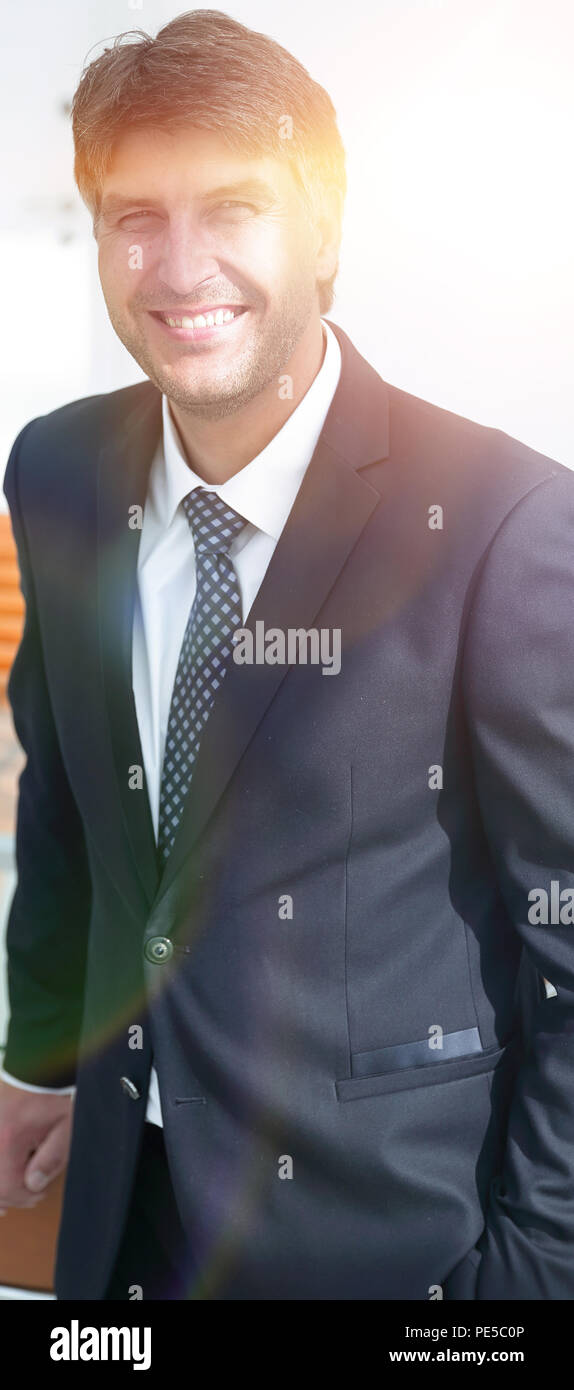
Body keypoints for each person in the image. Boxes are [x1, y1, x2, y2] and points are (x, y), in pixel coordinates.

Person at [0, 9, 573, 1301]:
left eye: (235, 208)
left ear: (323, 228)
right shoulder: (57, 467)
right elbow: (69, 808)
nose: (178, 263)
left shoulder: (502, 520)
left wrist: (531, 1278)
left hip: (384, 1249)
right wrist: (40, 1063)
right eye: (133, 215)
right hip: (120, 1222)